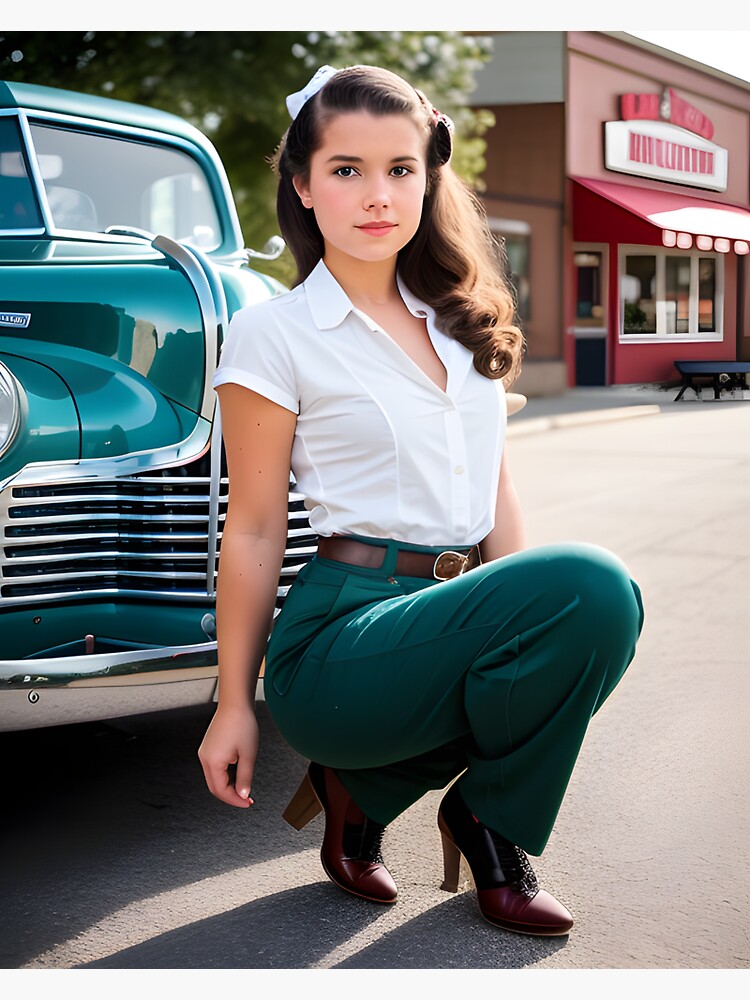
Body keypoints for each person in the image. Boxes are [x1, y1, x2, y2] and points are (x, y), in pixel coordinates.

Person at [198, 63, 644, 937]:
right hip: (341, 640)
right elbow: (252, 528)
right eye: (347, 170)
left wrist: (530, 635)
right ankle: (365, 773)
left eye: (401, 169)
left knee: (598, 610)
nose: (378, 195)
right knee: (593, 580)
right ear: (302, 183)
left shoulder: (460, 318)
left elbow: (495, 487)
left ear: (428, 177)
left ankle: (473, 814)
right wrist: (232, 701)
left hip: (452, 601)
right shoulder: (275, 332)